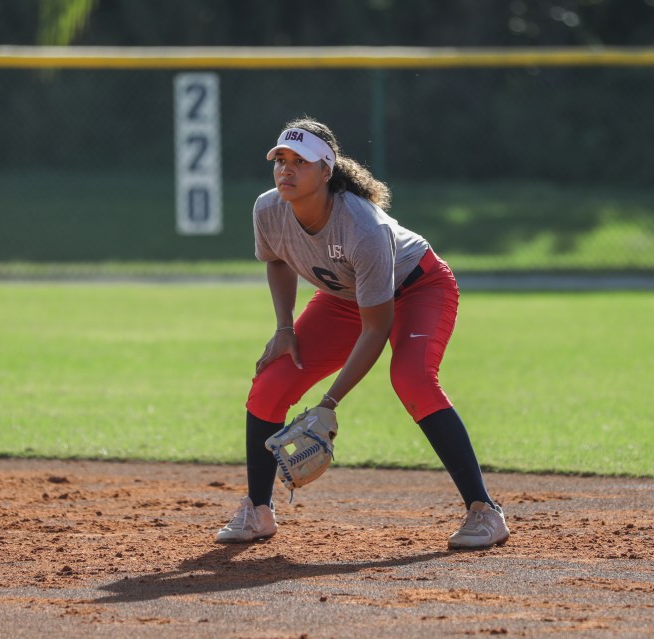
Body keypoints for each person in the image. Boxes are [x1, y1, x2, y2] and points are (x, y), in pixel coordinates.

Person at [215, 117, 509, 550]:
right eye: (280, 159)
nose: (286, 170)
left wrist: (329, 404)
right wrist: (284, 328)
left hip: (416, 287)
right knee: (271, 382)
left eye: (301, 161)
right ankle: (258, 512)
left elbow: (376, 326)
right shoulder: (269, 208)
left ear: (326, 171)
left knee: (412, 379)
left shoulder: (363, 227)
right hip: (344, 297)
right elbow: (277, 259)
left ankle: (484, 512)